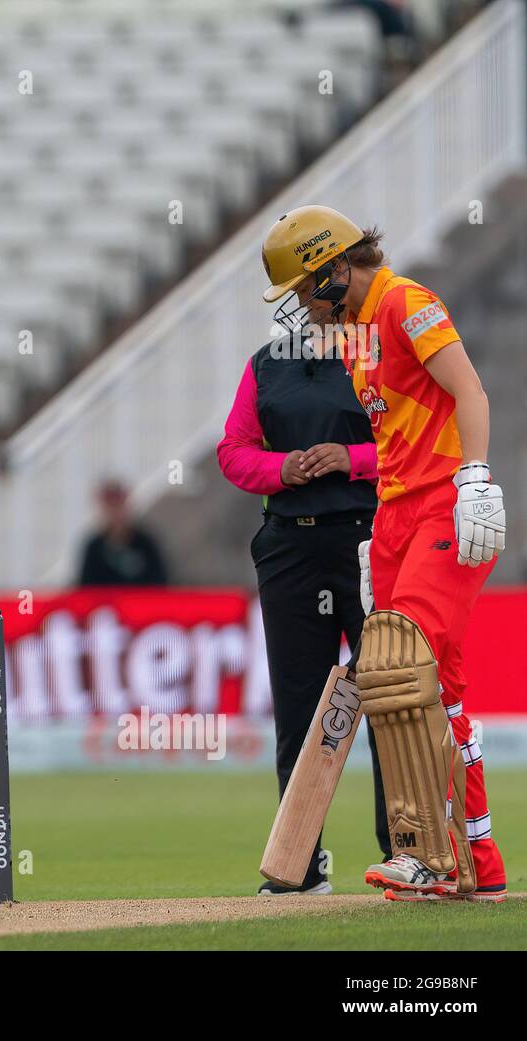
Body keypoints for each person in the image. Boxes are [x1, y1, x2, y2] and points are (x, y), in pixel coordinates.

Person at [261, 205, 507, 902]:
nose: (302, 308)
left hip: (444, 502)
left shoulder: (407, 301)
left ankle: (426, 853)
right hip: (397, 514)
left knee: (403, 672)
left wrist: (476, 478)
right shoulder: (351, 332)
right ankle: (477, 863)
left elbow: (470, 390)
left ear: (338, 267)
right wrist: (381, 536)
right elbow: (395, 433)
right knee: (442, 693)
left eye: (305, 289)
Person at [217, 318, 389, 895]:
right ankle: (301, 866)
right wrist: (280, 470)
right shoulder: (266, 363)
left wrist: (350, 458)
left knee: (390, 701)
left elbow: (408, 445)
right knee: (298, 709)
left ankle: (407, 855)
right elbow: (234, 451)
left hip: (368, 541)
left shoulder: (376, 355)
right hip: (291, 543)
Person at [74, 480, 168, 587]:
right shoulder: (94, 547)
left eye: (118, 504)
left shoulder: (146, 543)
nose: (114, 512)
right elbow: (85, 586)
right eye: (110, 506)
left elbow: (160, 582)